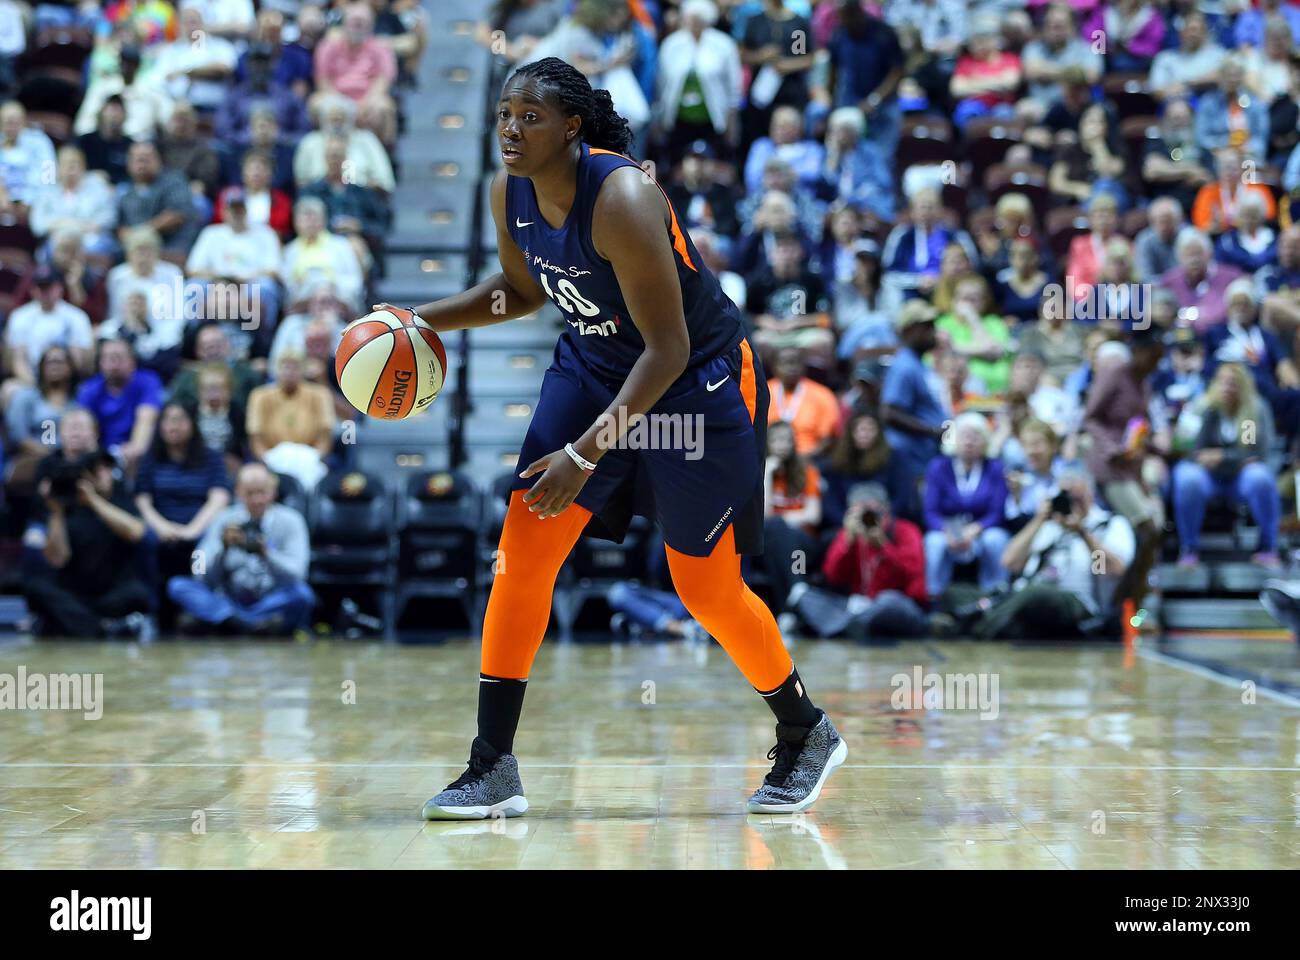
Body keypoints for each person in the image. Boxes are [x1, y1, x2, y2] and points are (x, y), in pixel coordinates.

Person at [392, 58, 846, 820]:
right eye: (505, 113)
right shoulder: (508, 191)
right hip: (595, 366)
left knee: (705, 588)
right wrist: (416, 320)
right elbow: (521, 290)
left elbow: (666, 348)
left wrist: (583, 454)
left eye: (530, 116)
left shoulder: (625, 196)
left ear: (572, 127)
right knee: (521, 556)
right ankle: (491, 764)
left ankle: (806, 730)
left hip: (695, 385)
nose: (510, 128)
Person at [23, 410, 153, 639]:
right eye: (70, 426)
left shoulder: (115, 492)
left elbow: (137, 532)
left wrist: (93, 499)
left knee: (138, 595)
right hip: (72, 589)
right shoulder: (56, 485)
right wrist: (56, 512)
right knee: (35, 589)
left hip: (112, 589)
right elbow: (57, 558)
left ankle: (75, 622)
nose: (98, 475)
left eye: (101, 470)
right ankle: (99, 628)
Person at [976, 467, 1134, 640]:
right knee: (958, 593)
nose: (1070, 504)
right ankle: (972, 619)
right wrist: (1039, 519)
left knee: (1035, 594)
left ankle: (977, 628)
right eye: (1064, 498)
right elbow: (1010, 562)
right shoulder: (1048, 527)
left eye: (1075, 497)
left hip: (1079, 605)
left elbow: (1108, 571)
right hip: (1027, 598)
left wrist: (1083, 533)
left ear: (1090, 496)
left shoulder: (1108, 524)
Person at [167, 462, 315, 635]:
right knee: (177, 585)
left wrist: (266, 554)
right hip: (229, 599)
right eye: (249, 493)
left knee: (302, 594)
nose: (256, 500)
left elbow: (298, 573)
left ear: (273, 492)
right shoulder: (223, 519)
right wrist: (222, 548)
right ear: (238, 492)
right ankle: (249, 624)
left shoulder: (292, 520)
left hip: (270, 598)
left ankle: (228, 621)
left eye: (262, 492)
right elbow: (197, 568)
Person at [1082, 326, 1166, 608]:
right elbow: (1090, 418)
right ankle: (1128, 598)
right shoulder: (1115, 373)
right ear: (1139, 352)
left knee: (1156, 525)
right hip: (1109, 466)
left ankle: (1136, 594)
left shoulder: (1144, 382)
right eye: (1152, 356)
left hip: (1133, 466)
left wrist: (1153, 447)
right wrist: (1110, 447)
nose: (1155, 363)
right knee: (1147, 526)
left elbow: (1138, 425)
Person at [786, 482, 928, 641]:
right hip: (857, 605)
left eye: (872, 513)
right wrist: (848, 542)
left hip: (898, 604)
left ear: (886, 510)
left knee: (888, 600)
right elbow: (832, 576)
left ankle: (842, 626)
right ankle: (853, 625)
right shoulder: (849, 534)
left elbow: (914, 575)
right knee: (805, 596)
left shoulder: (906, 530)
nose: (867, 519)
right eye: (861, 514)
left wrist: (884, 547)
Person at [1171, 363, 1281, 568]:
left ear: (1244, 386)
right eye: (1223, 382)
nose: (1227, 387)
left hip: (1238, 476)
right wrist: (1202, 457)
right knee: (1187, 479)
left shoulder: (1250, 413)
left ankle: (1268, 546)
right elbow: (1183, 446)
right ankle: (1189, 548)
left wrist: (1223, 457)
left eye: (1234, 383)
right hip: (1204, 473)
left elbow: (1253, 453)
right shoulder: (1201, 406)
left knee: (1260, 477)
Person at [135, 401, 233, 627]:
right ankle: (153, 611)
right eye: (168, 420)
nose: (174, 426)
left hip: (201, 526)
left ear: (192, 425)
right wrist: (162, 527)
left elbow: (219, 498)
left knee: (203, 549)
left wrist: (192, 531)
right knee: (146, 541)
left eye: (180, 420)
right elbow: (143, 500)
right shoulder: (151, 459)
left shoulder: (211, 457)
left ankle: (201, 608)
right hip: (160, 525)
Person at [922, 411, 1010, 600]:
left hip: (980, 529)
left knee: (995, 539)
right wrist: (946, 531)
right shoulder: (939, 466)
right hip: (947, 528)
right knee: (934, 542)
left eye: (975, 436)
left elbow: (997, 512)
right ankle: (933, 598)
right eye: (964, 435)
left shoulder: (995, 467)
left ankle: (995, 595)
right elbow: (930, 511)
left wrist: (976, 529)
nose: (969, 442)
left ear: (985, 441)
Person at [75, 338, 164, 472]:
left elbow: (146, 421)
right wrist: (99, 462)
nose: (113, 363)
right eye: (108, 358)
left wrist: (134, 449)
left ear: (132, 362)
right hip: (100, 455)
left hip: (138, 456)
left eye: (118, 357)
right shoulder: (89, 389)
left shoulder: (147, 381)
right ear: (100, 363)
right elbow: (85, 429)